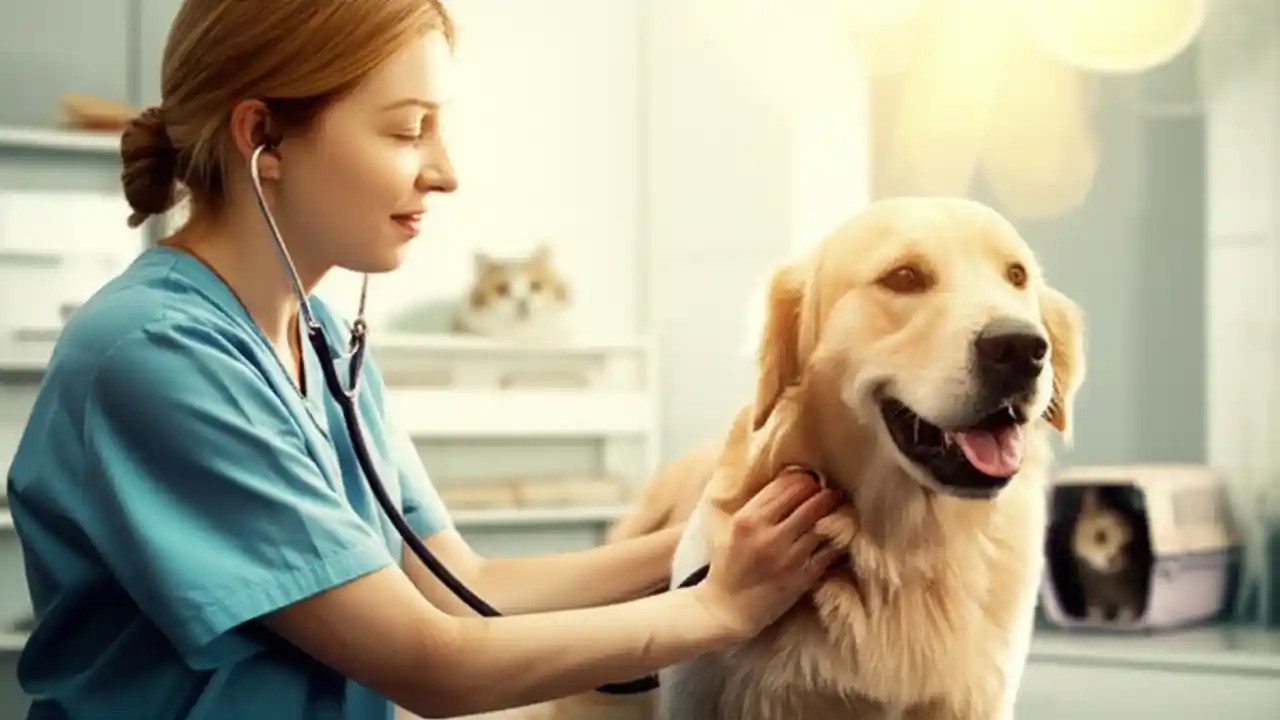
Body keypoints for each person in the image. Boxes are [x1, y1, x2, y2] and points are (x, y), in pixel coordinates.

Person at [4, 1, 845, 719]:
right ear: (265, 137)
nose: (444, 172)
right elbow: (428, 657)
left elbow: (459, 582)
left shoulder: (321, 338)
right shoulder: (155, 357)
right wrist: (721, 606)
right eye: (410, 130)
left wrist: (713, 538)